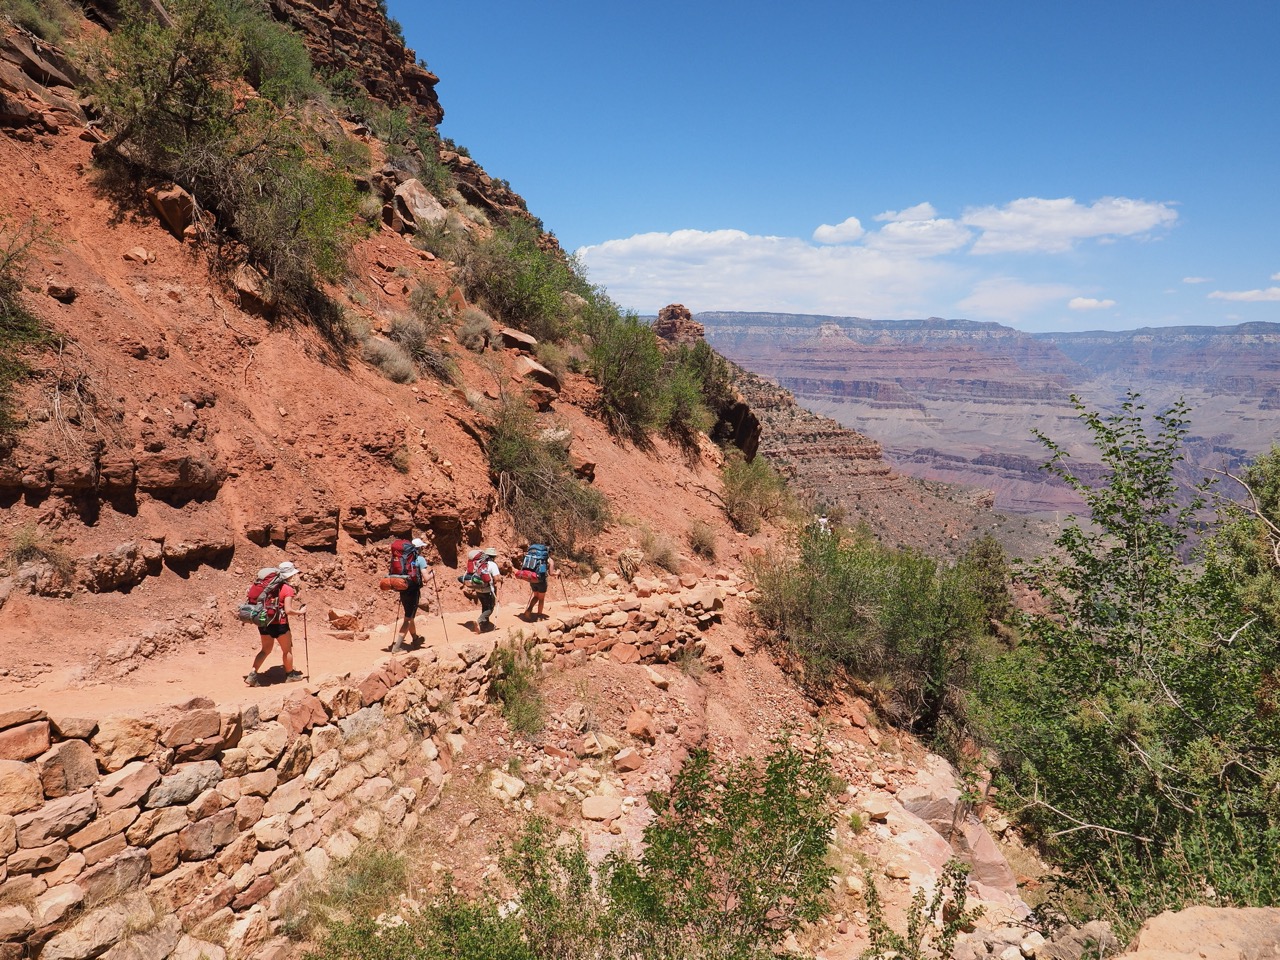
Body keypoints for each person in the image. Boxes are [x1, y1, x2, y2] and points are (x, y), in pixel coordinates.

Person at [246, 560, 304, 686]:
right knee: (287, 650)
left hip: (264, 621)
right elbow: (288, 610)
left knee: (265, 650)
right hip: (279, 624)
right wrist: (300, 612)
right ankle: (290, 675)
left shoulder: (266, 587)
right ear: (290, 575)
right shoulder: (287, 589)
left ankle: (252, 674)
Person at [392, 537, 434, 653]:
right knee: (408, 618)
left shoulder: (403, 559)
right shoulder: (420, 559)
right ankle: (397, 647)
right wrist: (432, 574)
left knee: (409, 615)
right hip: (413, 590)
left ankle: (415, 639)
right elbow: (426, 578)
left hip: (403, 587)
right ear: (419, 548)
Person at [522, 546, 554, 621]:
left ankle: (529, 610)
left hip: (532, 578)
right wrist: (558, 572)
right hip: (541, 581)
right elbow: (551, 573)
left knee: (536, 596)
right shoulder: (550, 560)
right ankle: (539, 616)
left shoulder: (535, 557)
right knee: (541, 599)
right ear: (551, 552)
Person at [476, 546, 502, 632]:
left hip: (478, 589)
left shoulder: (479, 562)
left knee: (485, 606)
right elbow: (496, 579)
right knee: (490, 607)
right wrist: (501, 579)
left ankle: (484, 625)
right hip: (488, 590)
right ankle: (480, 620)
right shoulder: (492, 565)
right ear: (493, 557)